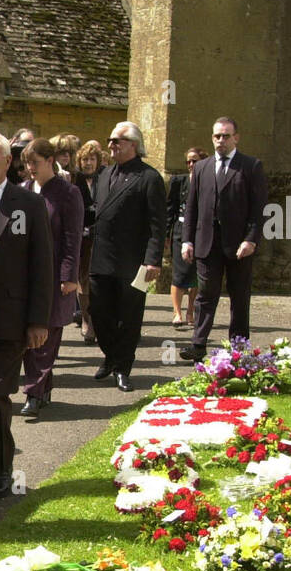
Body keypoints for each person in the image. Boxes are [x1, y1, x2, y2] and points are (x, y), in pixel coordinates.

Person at [0, 131, 52, 497]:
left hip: (9, 322)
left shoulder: (28, 205)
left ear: (7, 162)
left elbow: (42, 265)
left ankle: (2, 467)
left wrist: (38, 320)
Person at [180, 117, 269, 362]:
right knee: (205, 295)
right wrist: (187, 240)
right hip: (207, 243)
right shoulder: (201, 167)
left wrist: (251, 239)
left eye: (226, 136)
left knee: (239, 296)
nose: (221, 140)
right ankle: (198, 344)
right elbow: (192, 208)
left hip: (239, 245)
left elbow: (258, 208)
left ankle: (238, 348)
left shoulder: (251, 166)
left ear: (236, 138)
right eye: (217, 136)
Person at [88, 121, 165, 392]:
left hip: (135, 260)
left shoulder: (149, 177)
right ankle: (110, 355)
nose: (111, 145)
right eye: (110, 140)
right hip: (101, 257)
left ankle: (123, 367)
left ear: (133, 144)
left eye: (116, 140)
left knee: (129, 317)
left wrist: (153, 260)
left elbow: (158, 224)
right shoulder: (104, 173)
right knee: (99, 313)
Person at [19, 137, 83, 414]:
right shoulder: (22, 190)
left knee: (47, 335)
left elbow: (72, 238)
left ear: (50, 161)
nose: (30, 168)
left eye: (35, 162)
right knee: (29, 334)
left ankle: (33, 393)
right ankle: (42, 389)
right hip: (26, 274)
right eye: (27, 163)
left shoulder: (68, 193)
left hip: (56, 275)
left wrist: (69, 276)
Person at [167, 147, 207, 328]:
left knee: (195, 275)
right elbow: (170, 208)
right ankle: (177, 312)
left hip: (200, 231)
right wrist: (166, 234)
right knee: (179, 273)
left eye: (195, 161)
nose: (191, 164)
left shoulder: (208, 181)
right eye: (188, 161)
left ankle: (191, 311)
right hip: (180, 230)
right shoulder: (179, 181)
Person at [74, 139, 107, 343]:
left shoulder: (105, 177)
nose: (88, 163)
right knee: (82, 281)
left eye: (92, 159)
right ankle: (85, 318)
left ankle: (95, 322)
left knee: (97, 282)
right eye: (84, 159)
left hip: (100, 237)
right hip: (80, 237)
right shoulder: (74, 179)